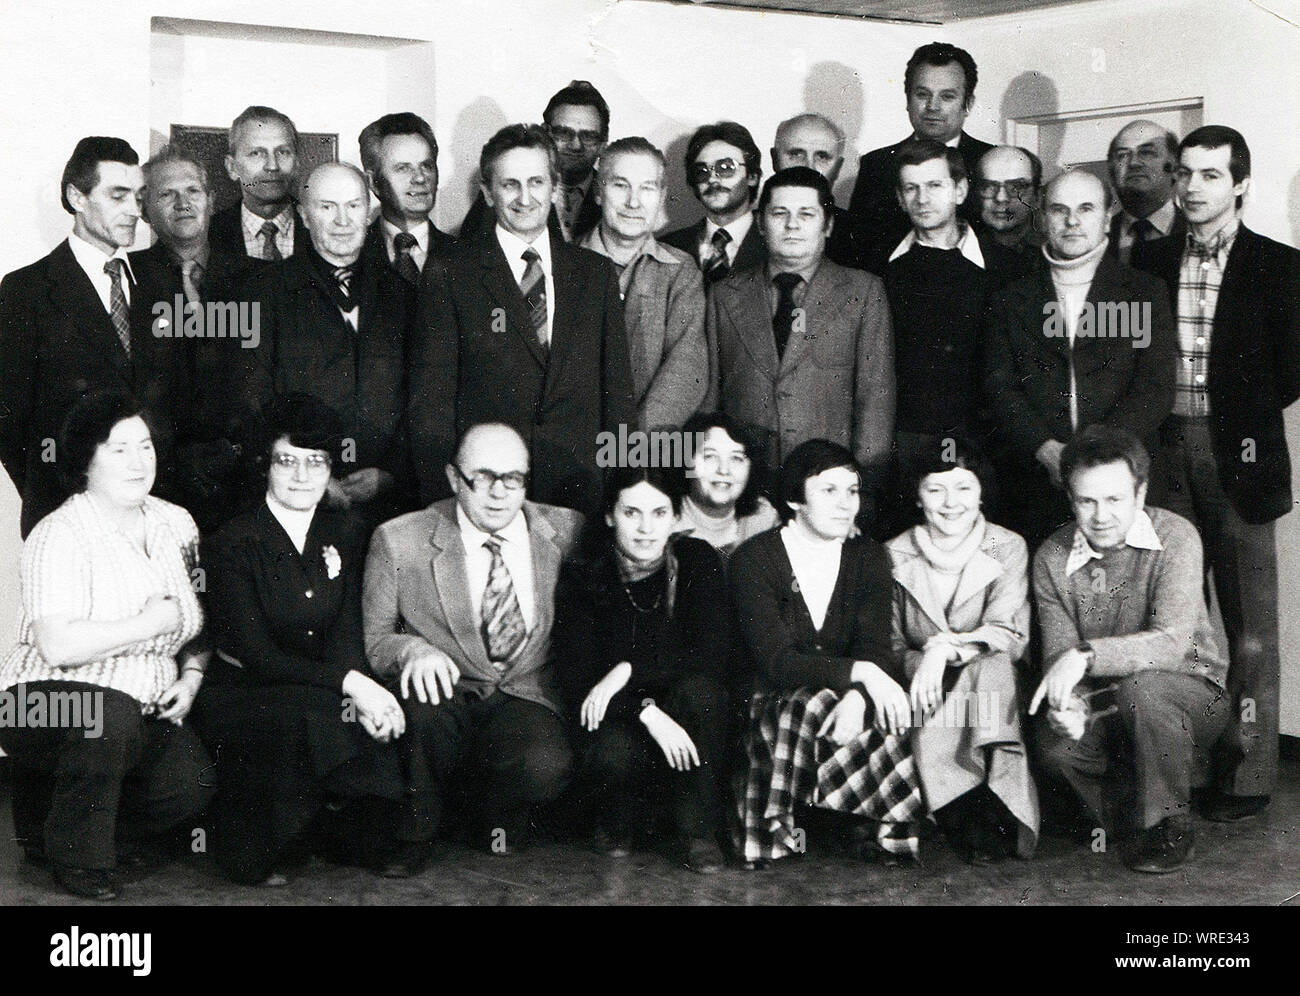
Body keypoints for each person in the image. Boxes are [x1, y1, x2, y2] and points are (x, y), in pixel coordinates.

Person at [1132, 126, 1300, 822]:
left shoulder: (1282, 266)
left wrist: (1241, 412)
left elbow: (1293, 368)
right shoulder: (1148, 257)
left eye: (1210, 175)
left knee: (1250, 624)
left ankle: (1249, 774)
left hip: (1240, 453)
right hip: (1163, 446)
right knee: (1178, 614)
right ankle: (1188, 763)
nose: (1194, 188)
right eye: (1186, 174)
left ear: (1240, 184)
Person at [0, 393, 213, 900]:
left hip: (136, 707)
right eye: (119, 450)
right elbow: (57, 645)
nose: (139, 462)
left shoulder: (176, 523)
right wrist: (145, 624)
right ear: (86, 462)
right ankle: (80, 862)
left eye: (145, 447)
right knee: (107, 717)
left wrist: (191, 676)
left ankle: (54, 825)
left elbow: (200, 620)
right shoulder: (60, 533)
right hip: (37, 700)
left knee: (193, 782)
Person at [192, 393, 410, 885]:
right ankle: (266, 843)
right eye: (286, 460)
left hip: (323, 684)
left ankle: (344, 834)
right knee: (312, 714)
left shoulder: (351, 532)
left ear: (331, 469)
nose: (301, 475)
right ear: (265, 465)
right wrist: (353, 684)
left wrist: (364, 690)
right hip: (247, 692)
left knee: (379, 712)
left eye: (316, 462)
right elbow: (258, 654)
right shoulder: (232, 542)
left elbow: (350, 633)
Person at [363, 422, 583, 870]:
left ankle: (490, 813)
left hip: (526, 692)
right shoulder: (398, 539)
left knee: (545, 765)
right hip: (447, 692)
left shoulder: (567, 530)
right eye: (482, 477)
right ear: (452, 478)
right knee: (421, 714)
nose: (499, 493)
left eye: (513, 478)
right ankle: (417, 834)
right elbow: (377, 639)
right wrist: (413, 650)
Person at [409, 124, 636, 517]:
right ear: (487, 192)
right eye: (510, 184)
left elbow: (617, 400)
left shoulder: (595, 273)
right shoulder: (451, 272)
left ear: (554, 187)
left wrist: (622, 493)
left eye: (536, 182)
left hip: (580, 493)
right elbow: (433, 404)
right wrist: (441, 504)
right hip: (486, 493)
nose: (525, 197)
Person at [1031, 426, 1229, 873]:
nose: (1101, 515)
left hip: (1192, 692)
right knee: (1055, 750)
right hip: (1108, 701)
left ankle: (1169, 823)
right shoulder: (1051, 556)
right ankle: (1136, 808)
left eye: (1115, 499)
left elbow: (1172, 644)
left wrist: (1086, 655)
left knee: (1144, 689)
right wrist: (1073, 707)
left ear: (1140, 494)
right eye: (1087, 501)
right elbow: (1058, 656)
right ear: (1070, 499)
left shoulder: (1176, 536)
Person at [731, 439, 922, 868]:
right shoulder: (755, 559)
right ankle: (776, 831)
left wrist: (860, 693)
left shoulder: (868, 557)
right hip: (771, 694)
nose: (845, 504)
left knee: (884, 708)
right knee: (816, 702)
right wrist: (865, 677)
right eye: (829, 491)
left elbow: (875, 646)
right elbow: (779, 662)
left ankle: (871, 826)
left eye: (852, 490)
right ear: (795, 499)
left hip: (844, 690)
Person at [0, 137, 190, 537]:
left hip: (155, 517)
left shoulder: (162, 283)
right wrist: (56, 491)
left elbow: (179, 398)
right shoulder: (26, 291)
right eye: (117, 196)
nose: (134, 212)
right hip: (66, 517)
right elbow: (10, 422)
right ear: (77, 197)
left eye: (138, 198)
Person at [982, 168, 1175, 551]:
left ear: (1107, 217)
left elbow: (1154, 388)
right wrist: (1045, 449)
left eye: (1086, 208)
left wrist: (1094, 458)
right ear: (1041, 217)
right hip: (1036, 478)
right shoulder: (1009, 297)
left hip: (1122, 478)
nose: (1072, 221)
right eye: (1059, 210)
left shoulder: (1142, 291)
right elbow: (999, 387)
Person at [554, 466, 731, 873]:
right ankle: (616, 822)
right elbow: (579, 681)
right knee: (614, 749)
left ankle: (698, 832)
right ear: (610, 515)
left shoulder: (696, 560)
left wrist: (625, 671)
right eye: (632, 513)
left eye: (659, 513)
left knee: (702, 693)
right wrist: (646, 710)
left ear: (676, 517)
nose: (646, 529)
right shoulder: (585, 575)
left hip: (679, 712)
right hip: (623, 721)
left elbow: (713, 654)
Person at [703, 167, 895, 534]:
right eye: (780, 214)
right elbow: (711, 397)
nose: (792, 225)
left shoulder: (863, 292)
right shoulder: (724, 294)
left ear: (827, 225)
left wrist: (861, 495)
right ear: (761, 223)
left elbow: (875, 398)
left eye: (806, 214)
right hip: (746, 486)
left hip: (827, 489)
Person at [236, 161, 416, 532]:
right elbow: (251, 400)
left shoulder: (405, 296)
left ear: (369, 213)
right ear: (303, 215)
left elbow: (424, 397)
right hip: (296, 500)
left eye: (353, 206)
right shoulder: (263, 294)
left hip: (388, 505)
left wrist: (391, 473)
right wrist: (312, 478)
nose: (342, 220)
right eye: (327, 207)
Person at [884, 436, 1038, 863]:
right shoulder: (893, 553)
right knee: (979, 676)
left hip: (994, 686)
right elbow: (891, 645)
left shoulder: (1007, 545)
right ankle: (973, 807)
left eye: (964, 488)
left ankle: (975, 803)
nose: (951, 503)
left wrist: (942, 652)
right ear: (918, 497)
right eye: (936, 489)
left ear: (981, 492)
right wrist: (923, 662)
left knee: (991, 669)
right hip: (924, 688)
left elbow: (1009, 634)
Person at [883, 139, 1021, 533]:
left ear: (960, 191)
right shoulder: (880, 270)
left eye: (935, 185)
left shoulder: (1008, 269)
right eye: (911, 188)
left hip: (987, 445)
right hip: (906, 443)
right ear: (899, 196)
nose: (922, 198)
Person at [133, 144, 248, 536]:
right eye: (167, 194)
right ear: (145, 207)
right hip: (158, 486)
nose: (183, 203)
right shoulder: (128, 280)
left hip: (243, 484)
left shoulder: (258, 279)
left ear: (212, 200)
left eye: (193, 191)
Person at [581, 137, 707, 429]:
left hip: (649, 448)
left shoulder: (681, 272)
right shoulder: (564, 265)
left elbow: (686, 369)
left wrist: (635, 446)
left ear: (662, 196)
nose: (633, 202)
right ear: (599, 192)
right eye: (620, 185)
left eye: (647, 188)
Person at [846, 42, 993, 273]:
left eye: (947, 96)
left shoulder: (990, 162)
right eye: (922, 94)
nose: (932, 107)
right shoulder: (877, 165)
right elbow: (859, 252)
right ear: (907, 99)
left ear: (968, 104)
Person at [459, 81, 610, 243]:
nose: (575, 145)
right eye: (564, 133)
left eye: (588, 136)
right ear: (545, 133)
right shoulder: (504, 189)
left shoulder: (612, 194)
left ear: (603, 143)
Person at [662, 122, 767, 283]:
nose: (712, 179)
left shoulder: (774, 244)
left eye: (726, 167)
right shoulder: (667, 248)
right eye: (702, 171)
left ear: (752, 176)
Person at [358, 112, 456, 285]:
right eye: (403, 168)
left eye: (426, 166)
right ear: (373, 182)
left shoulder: (466, 257)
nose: (420, 178)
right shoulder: (353, 252)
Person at [210, 105, 310, 273]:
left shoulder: (320, 227)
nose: (272, 166)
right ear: (232, 167)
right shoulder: (209, 235)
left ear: (297, 164)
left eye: (283, 152)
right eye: (256, 153)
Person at [673, 412, 778, 559]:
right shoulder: (661, 519)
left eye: (736, 458)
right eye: (710, 456)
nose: (723, 470)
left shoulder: (762, 519)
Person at [770, 112, 860, 268]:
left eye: (822, 157)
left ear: (838, 167)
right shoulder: (749, 229)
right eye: (796, 154)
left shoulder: (859, 237)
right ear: (774, 159)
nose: (809, 167)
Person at [1106, 120, 1185, 265]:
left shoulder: (1201, 233)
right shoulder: (1095, 236)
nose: (1134, 162)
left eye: (1147, 152)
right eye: (1123, 155)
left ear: (1174, 168)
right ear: (1112, 174)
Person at [973, 144, 1043, 260]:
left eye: (1016, 187)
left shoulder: (1055, 251)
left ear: (1037, 197)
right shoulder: (965, 250)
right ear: (976, 194)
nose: (1001, 198)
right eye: (989, 186)